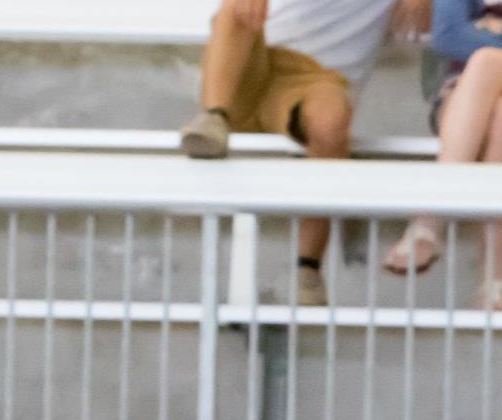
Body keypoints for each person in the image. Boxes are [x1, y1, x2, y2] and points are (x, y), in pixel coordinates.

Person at [178, 0, 428, 305]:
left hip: (318, 81)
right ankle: (213, 117)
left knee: (331, 119)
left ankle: (307, 269)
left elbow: (437, 23)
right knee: (233, 8)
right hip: (257, 62)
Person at [383, 1, 502, 305]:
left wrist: (484, 35)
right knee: (487, 64)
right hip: (464, 94)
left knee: (493, 78)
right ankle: (494, 276)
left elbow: (465, 39)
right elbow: (449, 36)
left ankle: (430, 221)